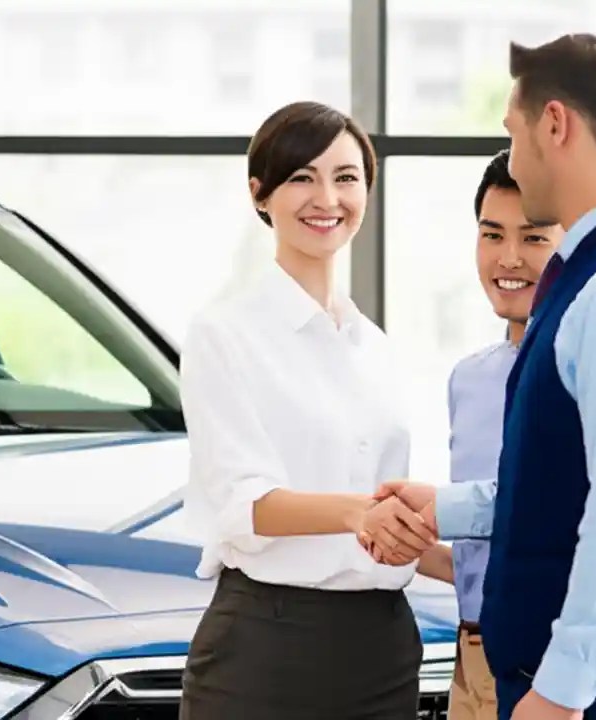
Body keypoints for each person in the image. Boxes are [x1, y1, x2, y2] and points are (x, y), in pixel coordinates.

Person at [373, 35, 596, 720]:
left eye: (513, 133)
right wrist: (441, 505)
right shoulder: (589, 279)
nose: (514, 160)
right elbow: (562, 484)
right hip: (569, 680)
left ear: (554, 124)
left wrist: (561, 690)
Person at [177, 100, 447, 720]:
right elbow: (243, 504)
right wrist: (362, 515)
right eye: (302, 177)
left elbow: (387, 523)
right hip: (270, 647)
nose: (326, 197)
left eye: (346, 178)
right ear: (260, 194)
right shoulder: (224, 333)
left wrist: (481, 572)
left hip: (383, 647)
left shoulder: (375, 347)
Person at [445, 149, 562, 720]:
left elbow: (549, 518)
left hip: (539, 662)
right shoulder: (468, 379)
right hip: (467, 658)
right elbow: (480, 554)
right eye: (492, 235)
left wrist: (430, 510)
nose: (508, 258)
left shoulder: (575, 369)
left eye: (533, 239)